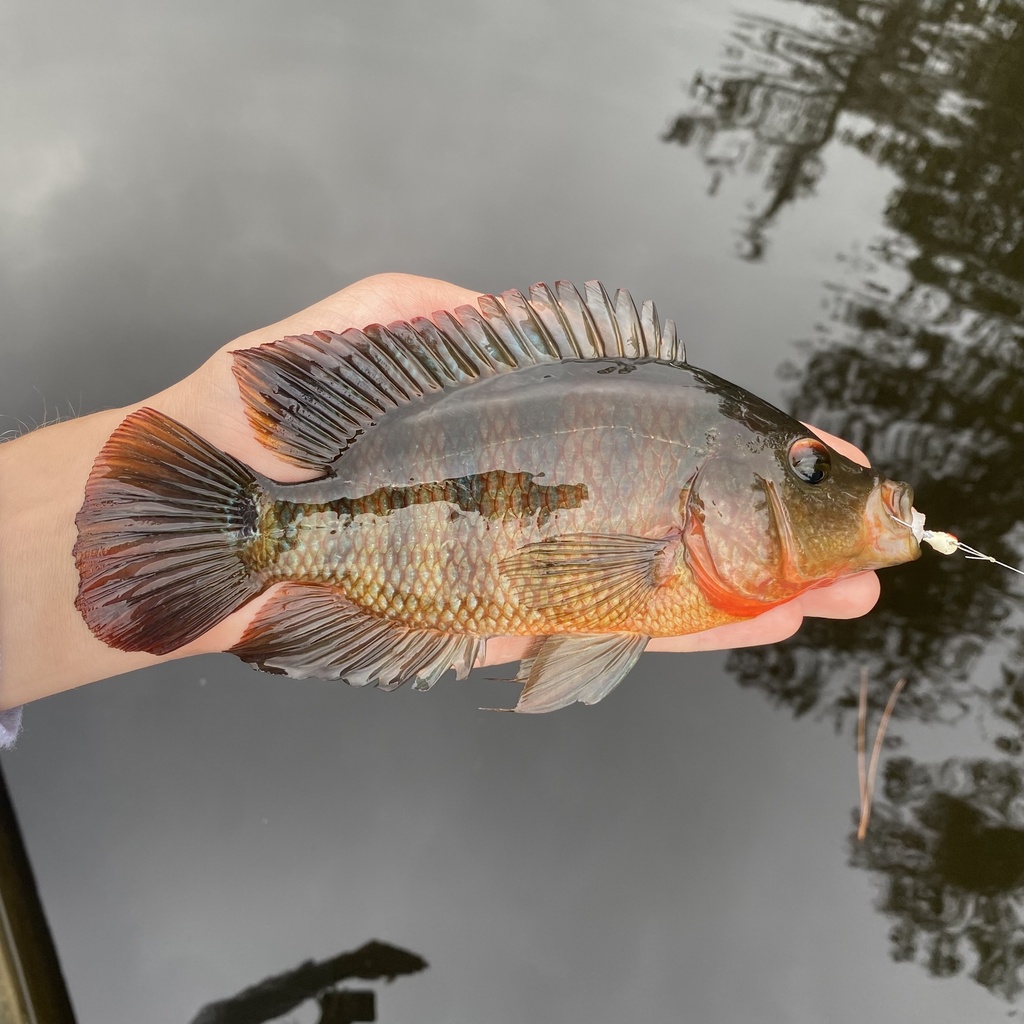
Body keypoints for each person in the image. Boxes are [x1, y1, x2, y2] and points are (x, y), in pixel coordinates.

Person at [0, 273, 881, 734]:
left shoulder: (689, 457)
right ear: (703, 505)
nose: (821, 483)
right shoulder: (684, 477)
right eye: (807, 470)